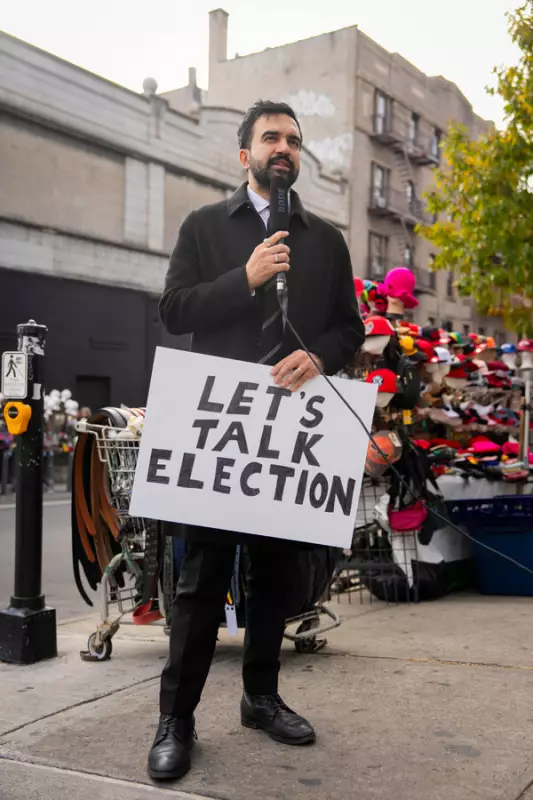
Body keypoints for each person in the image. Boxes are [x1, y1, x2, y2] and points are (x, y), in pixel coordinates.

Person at [148, 99, 365, 781]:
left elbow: (350, 328)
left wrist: (320, 357)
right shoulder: (205, 226)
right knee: (201, 580)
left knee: (275, 576)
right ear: (245, 154)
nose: (284, 148)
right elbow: (174, 310)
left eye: (294, 140)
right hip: (220, 432)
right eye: (271, 138)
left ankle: (260, 697)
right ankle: (176, 718)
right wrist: (243, 280)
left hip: (288, 433)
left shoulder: (326, 241)